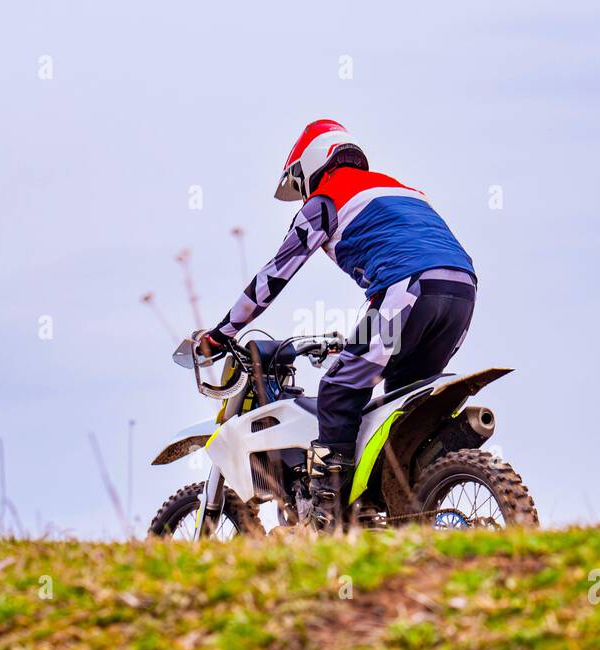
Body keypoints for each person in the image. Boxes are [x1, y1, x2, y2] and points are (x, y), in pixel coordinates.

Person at [198, 119, 477, 526]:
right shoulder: (404, 190)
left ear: (312, 162)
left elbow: (275, 274)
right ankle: (408, 505)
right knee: (399, 405)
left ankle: (331, 512)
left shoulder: (326, 199)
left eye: (300, 184)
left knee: (336, 387)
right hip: (463, 290)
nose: (303, 197)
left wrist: (222, 332)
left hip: (406, 289)